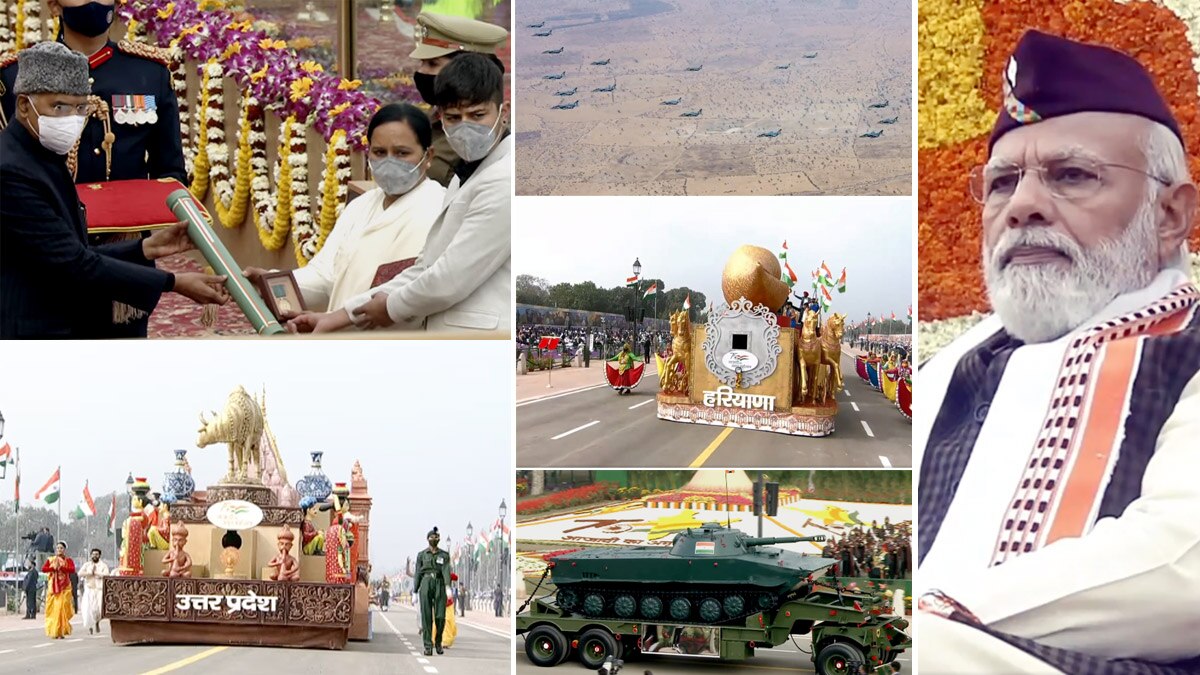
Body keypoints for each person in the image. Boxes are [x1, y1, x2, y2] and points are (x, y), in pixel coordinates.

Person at [916, 30, 1200, 673]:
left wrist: (938, 612)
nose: (1022, 207)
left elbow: (1187, 563)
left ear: (1170, 216)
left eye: (1072, 176)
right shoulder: (940, 375)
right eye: (1001, 183)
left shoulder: (1188, 349)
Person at [0, 42, 228, 338]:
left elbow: (73, 250)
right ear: (23, 105)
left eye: (80, 108)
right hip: (27, 333)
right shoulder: (11, 170)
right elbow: (74, 263)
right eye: (58, 106)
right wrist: (172, 281)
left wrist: (147, 247)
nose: (71, 118)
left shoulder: (40, 152)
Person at [288, 53, 511, 335]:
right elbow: (425, 268)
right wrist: (339, 316)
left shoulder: (504, 178)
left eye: (477, 115)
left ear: (503, 113)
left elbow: (448, 279)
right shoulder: (466, 175)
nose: (465, 126)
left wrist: (389, 307)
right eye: (454, 118)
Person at [245, 104, 444, 315]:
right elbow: (324, 277)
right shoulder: (362, 205)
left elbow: (402, 297)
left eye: (401, 153)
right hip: (339, 338)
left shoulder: (437, 209)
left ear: (428, 156)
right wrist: (269, 282)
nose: (389, 162)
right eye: (379, 152)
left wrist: (333, 321)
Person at [408, 11, 508, 186]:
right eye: (421, 63)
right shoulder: (435, 121)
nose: (421, 72)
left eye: (433, 64)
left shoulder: (481, 134)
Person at [416, 526, 451, 655]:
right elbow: (418, 573)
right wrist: (415, 590)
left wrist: (447, 586)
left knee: (440, 616)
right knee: (426, 617)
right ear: (427, 539)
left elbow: (446, 570)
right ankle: (427, 646)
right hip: (425, 582)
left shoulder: (444, 555)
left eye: (436, 538)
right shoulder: (421, 555)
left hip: (439, 583)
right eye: (432, 537)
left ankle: (438, 641)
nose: (434, 539)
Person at [42, 541, 75, 639]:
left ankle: (61, 631)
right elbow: (44, 569)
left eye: (61, 548)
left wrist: (62, 568)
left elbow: (72, 570)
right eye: (58, 548)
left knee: (63, 608)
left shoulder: (68, 560)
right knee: (55, 609)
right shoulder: (51, 560)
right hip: (54, 587)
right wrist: (53, 568)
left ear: (64, 550)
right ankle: (55, 631)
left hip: (65, 587)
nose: (59, 550)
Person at [78, 548, 108, 634]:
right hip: (89, 589)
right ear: (91, 555)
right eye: (93, 554)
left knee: (98, 609)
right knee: (88, 609)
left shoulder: (103, 565)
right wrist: (89, 573)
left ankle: (97, 622)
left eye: (96, 554)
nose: (95, 556)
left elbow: (106, 575)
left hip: (99, 590)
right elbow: (80, 573)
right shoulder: (87, 565)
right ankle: (90, 627)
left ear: (99, 556)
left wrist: (97, 574)